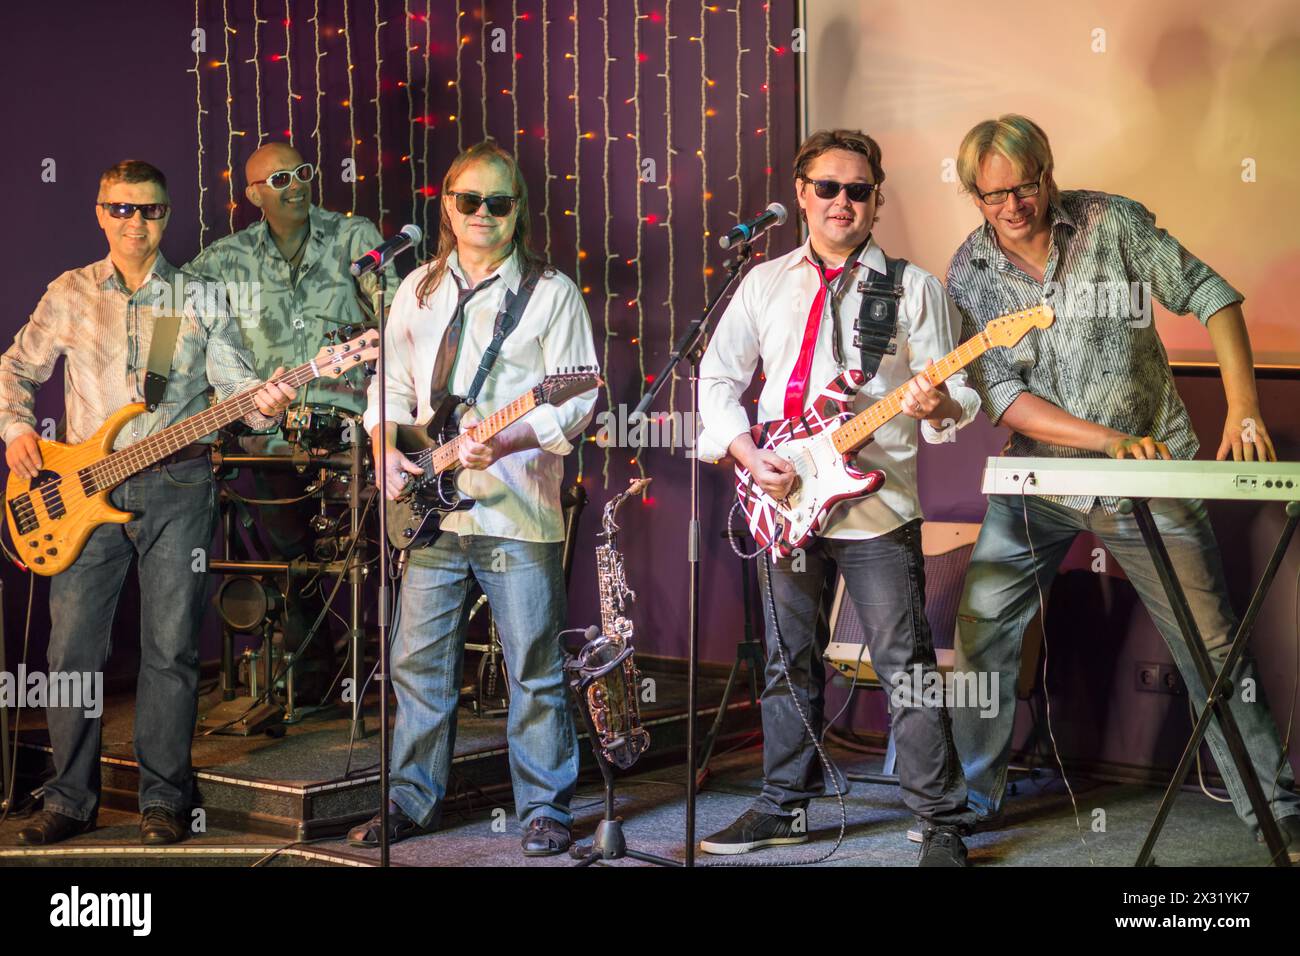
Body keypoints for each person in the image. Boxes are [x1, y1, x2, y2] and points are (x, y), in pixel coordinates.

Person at [945, 114, 1300, 861]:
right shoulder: (969, 272)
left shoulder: (1113, 221)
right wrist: (1106, 440)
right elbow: (1004, 397)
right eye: (995, 194)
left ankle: (1275, 808)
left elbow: (1212, 294)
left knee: (1213, 649)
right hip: (1041, 477)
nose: (1015, 206)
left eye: (1028, 185)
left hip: (1151, 467)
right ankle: (970, 802)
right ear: (974, 195)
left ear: (1049, 170)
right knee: (982, 632)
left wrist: (1242, 407)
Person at [697, 129, 981, 866]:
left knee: (904, 662)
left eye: (858, 190)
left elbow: (961, 400)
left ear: (877, 199)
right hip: (784, 493)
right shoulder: (763, 281)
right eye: (828, 187)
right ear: (802, 194)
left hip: (874, 503)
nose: (842, 202)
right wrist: (747, 454)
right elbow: (718, 380)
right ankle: (783, 806)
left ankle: (941, 820)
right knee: (789, 659)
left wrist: (936, 405)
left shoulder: (912, 288)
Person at [0, 160, 296, 846]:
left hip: (179, 486)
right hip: (78, 494)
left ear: (168, 215)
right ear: (101, 212)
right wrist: (17, 428)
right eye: (124, 209)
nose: (139, 222)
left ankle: (165, 800)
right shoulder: (70, 293)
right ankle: (70, 799)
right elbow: (15, 368)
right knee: (71, 650)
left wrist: (264, 405)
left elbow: (235, 388)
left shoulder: (196, 296)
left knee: (171, 650)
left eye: (153, 210)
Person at [348, 140, 598, 857]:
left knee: (535, 669)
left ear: (519, 211)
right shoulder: (415, 289)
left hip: (515, 511)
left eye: (500, 202)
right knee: (419, 665)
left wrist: (511, 442)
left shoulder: (550, 293)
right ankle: (411, 799)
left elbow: (580, 398)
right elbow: (387, 391)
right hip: (429, 512)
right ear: (446, 207)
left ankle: (544, 808)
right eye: (469, 201)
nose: (483, 214)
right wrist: (387, 454)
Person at [187, 142, 396, 704]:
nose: (296, 185)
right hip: (270, 439)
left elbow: (399, 318)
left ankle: (397, 677)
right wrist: (183, 386)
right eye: (279, 179)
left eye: (303, 172)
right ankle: (312, 674)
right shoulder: (224, 260)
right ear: (254, 194)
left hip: (357, 436)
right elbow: (170, 312)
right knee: (288, 558)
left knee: (387, 552)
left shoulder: (355, 238)